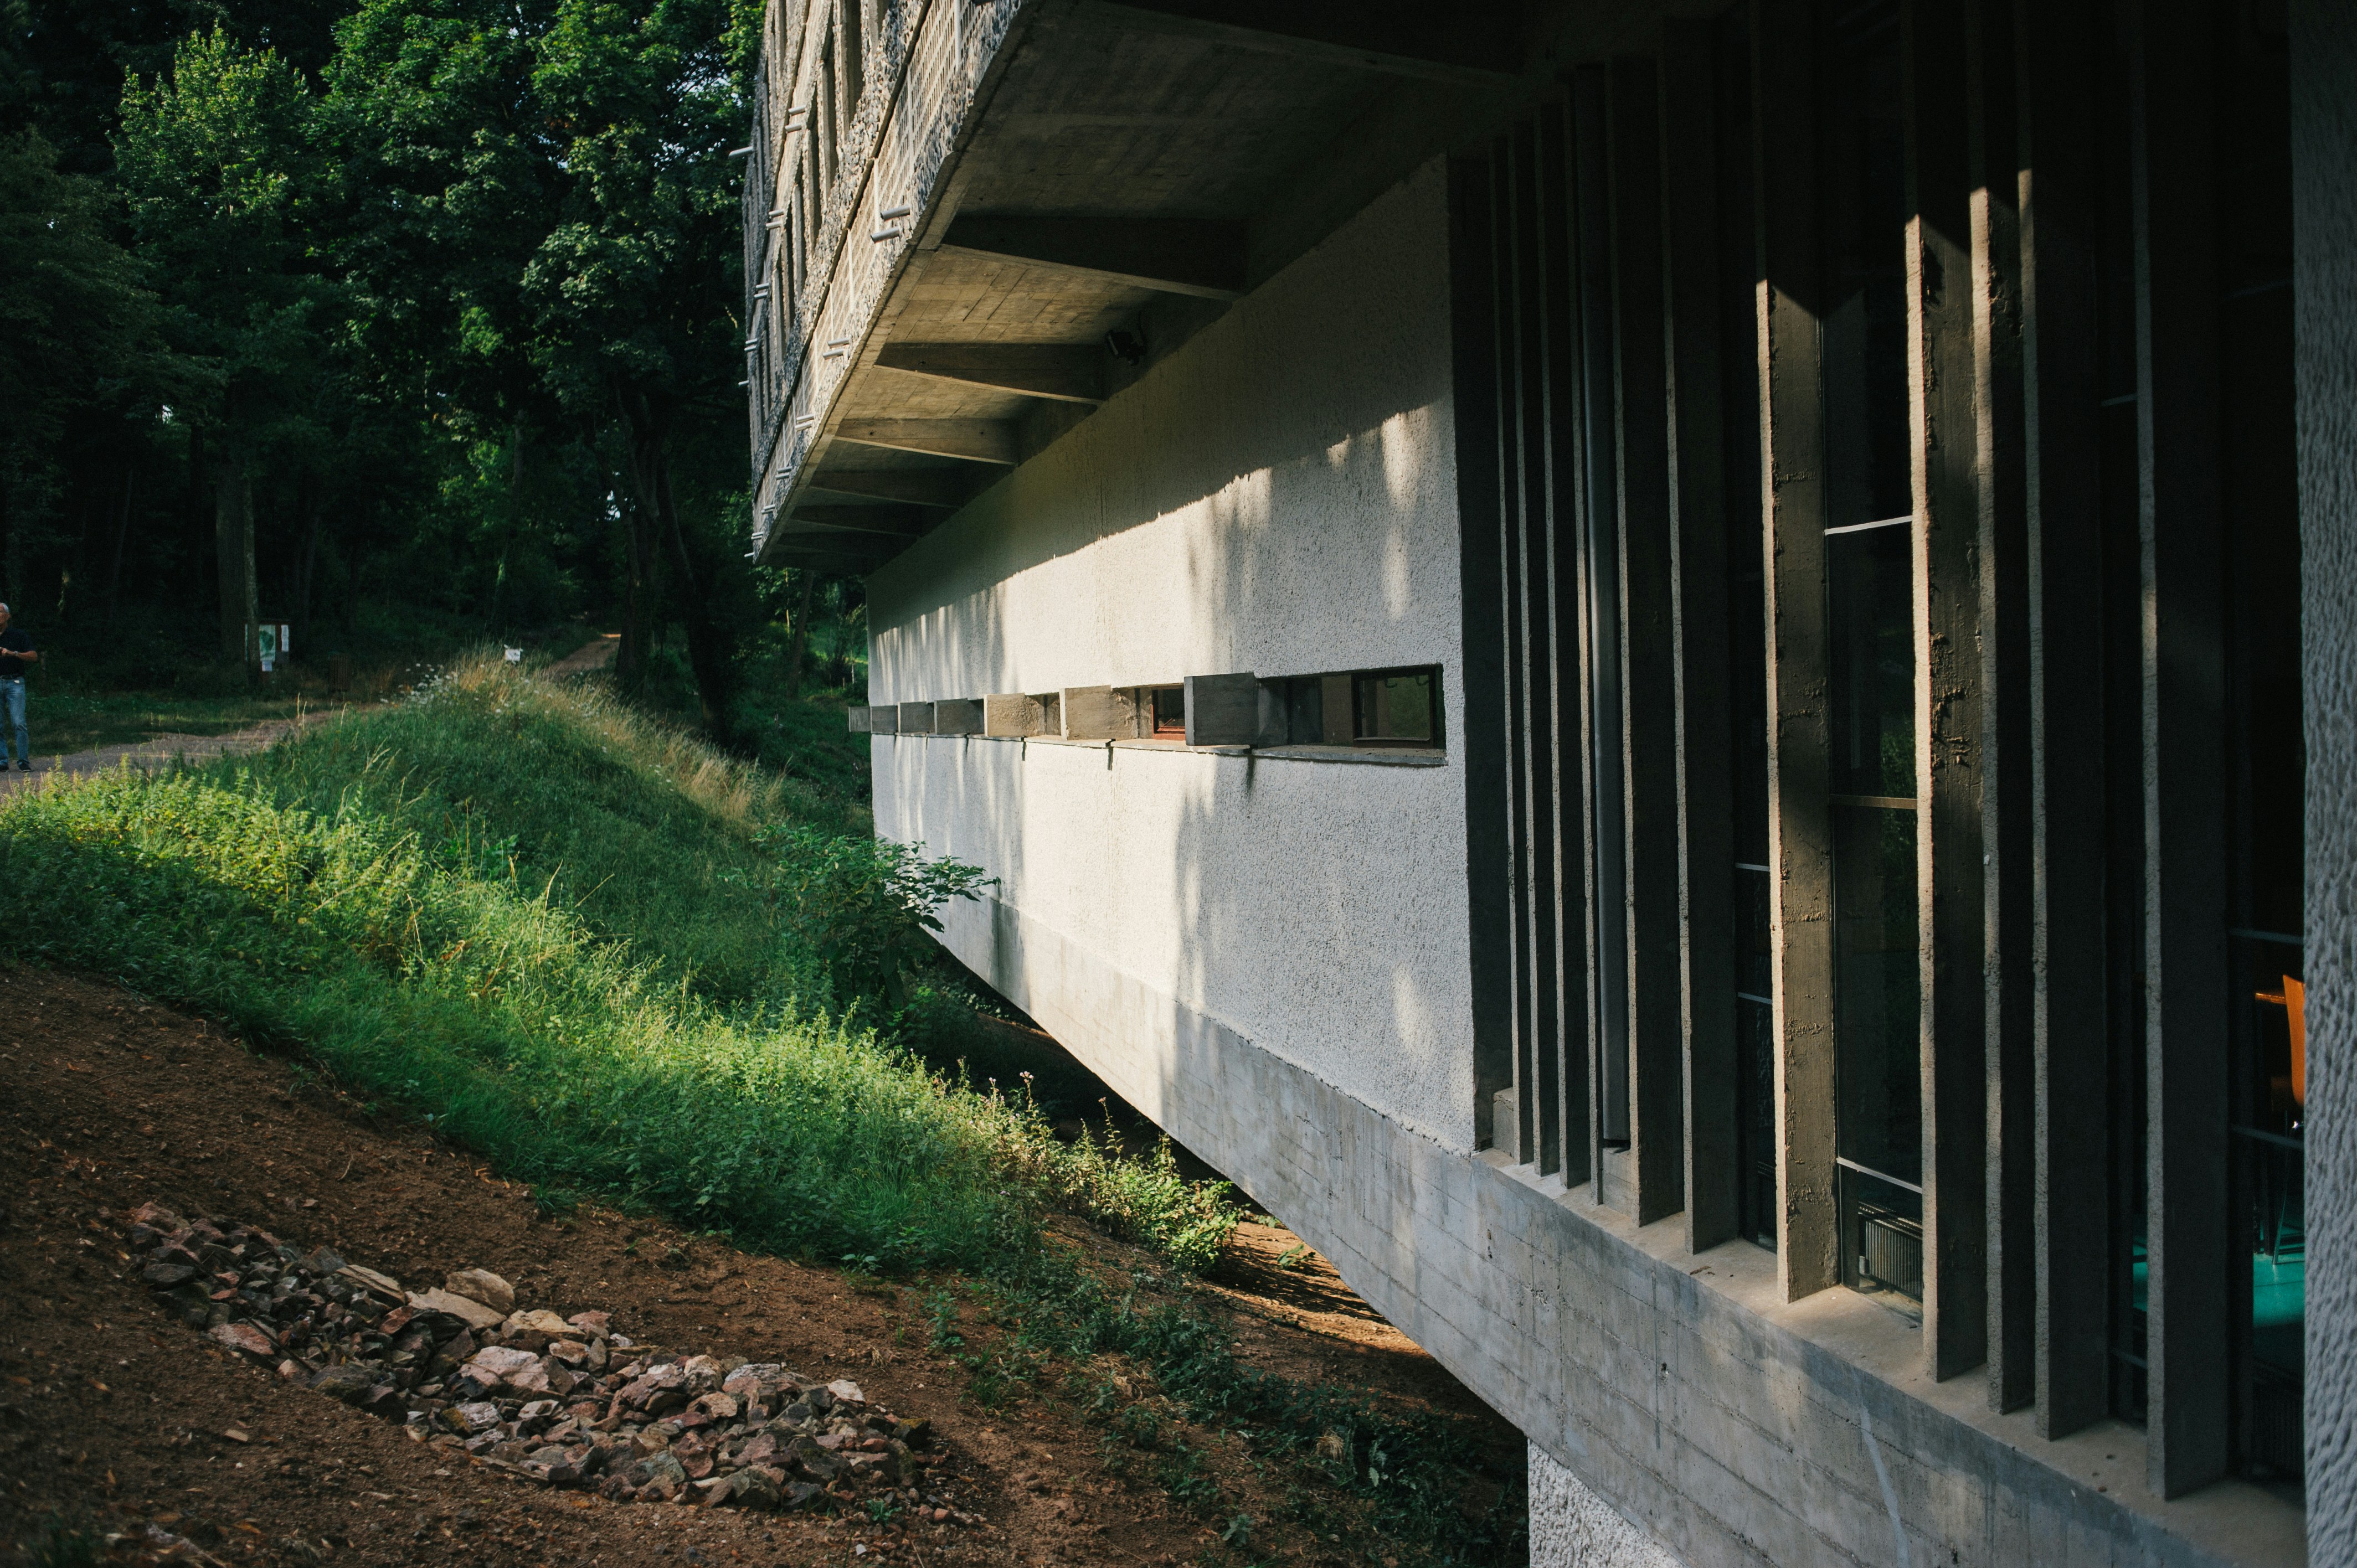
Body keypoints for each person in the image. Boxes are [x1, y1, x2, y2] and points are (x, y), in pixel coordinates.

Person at [0, 601, 37, 771]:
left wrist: (12, 653)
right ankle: (2, 761)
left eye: (0, 612)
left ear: (8, 616)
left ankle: (23, 761)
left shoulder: (18, 635)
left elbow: (34, 656)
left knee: (19, 723)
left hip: (15, 683)